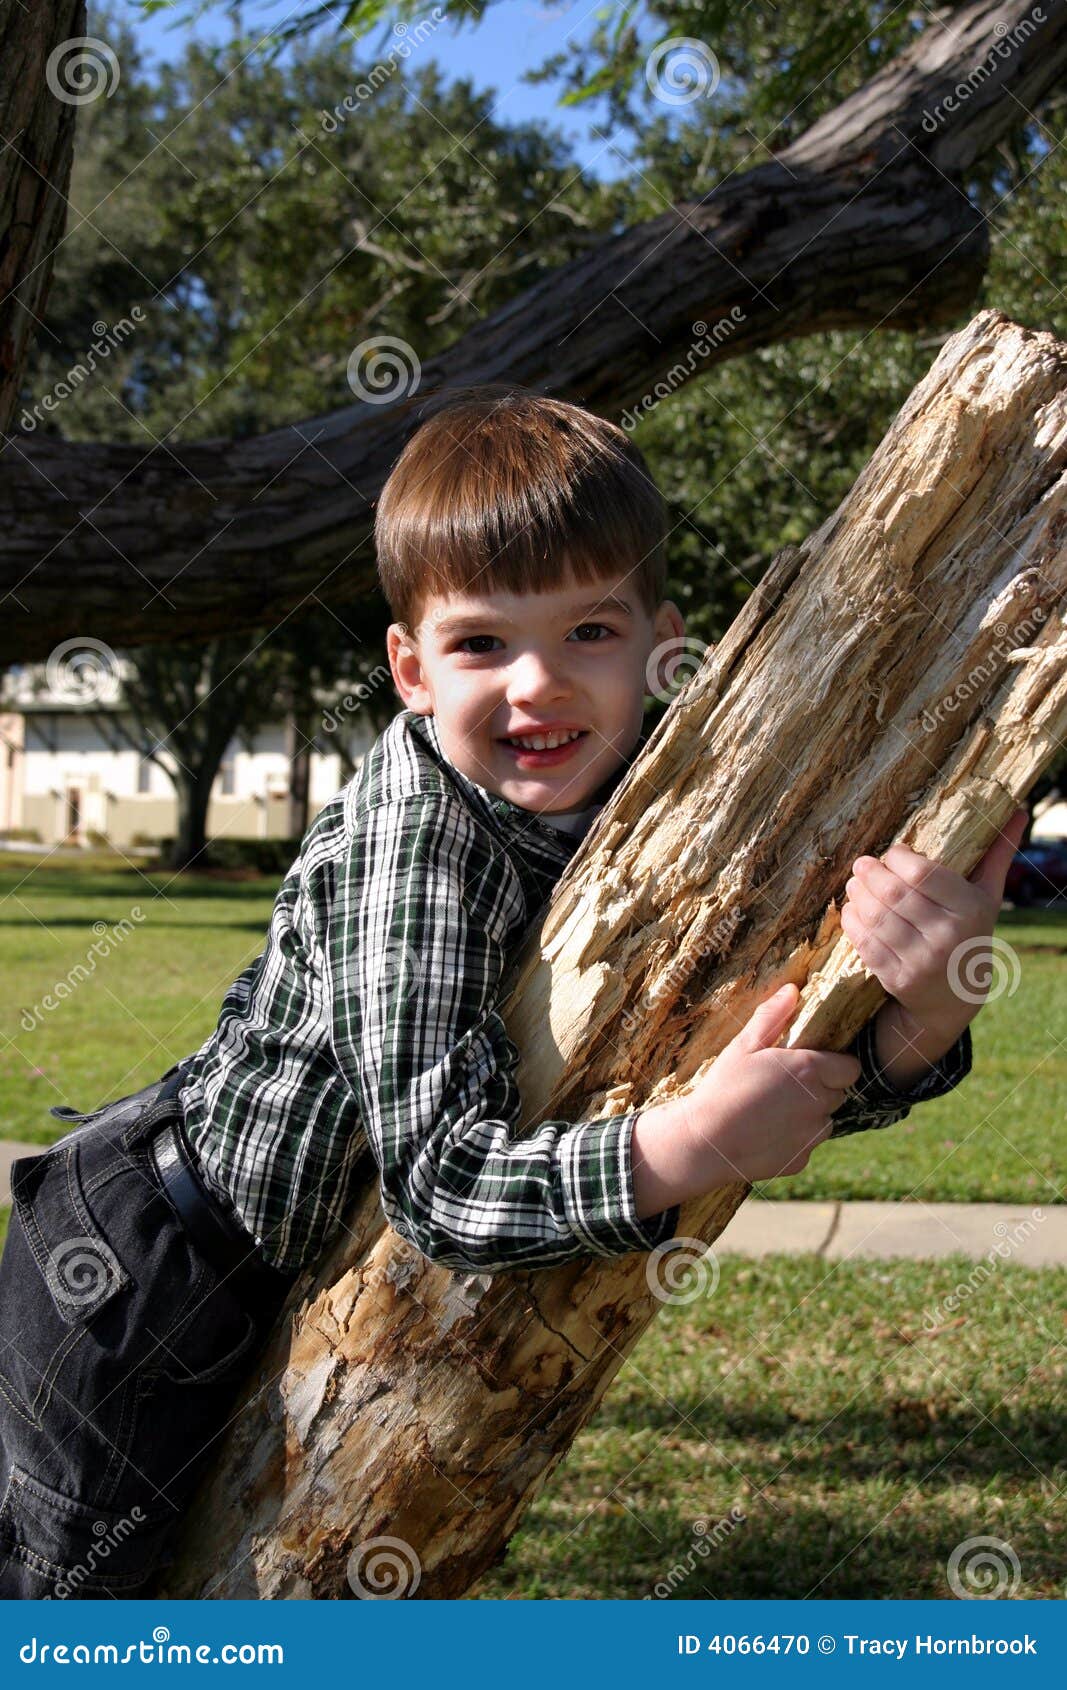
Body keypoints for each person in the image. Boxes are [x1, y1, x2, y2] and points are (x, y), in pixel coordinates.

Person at [0, 386, 1023, 1598]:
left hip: (255, 1264)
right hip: (145, 1276)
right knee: (72, 1604)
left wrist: (920, 1012)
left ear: (665, 645)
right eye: (482, 642)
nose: (536, 684)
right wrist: (686, 1142)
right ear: (410, 668)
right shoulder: (419, 844)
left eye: (588, 631)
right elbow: (445, 1185)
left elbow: (708, 1065)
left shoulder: (649, 804)